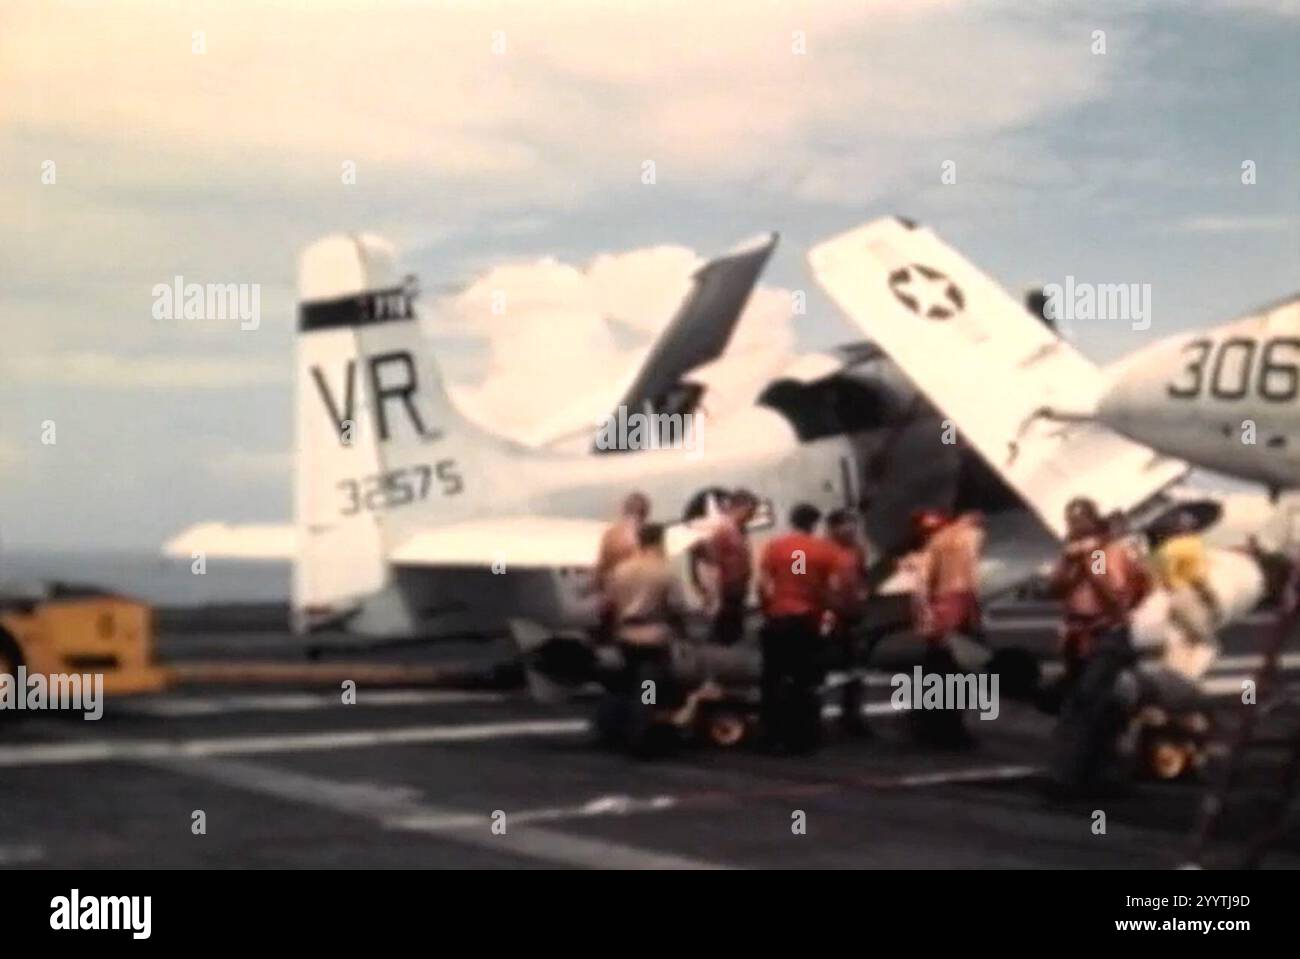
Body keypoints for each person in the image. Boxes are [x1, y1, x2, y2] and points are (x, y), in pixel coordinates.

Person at [1045, 497, 1148, 793]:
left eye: (1079, 519)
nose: (1074, 525)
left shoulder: (1106, 552)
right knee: (1081, 701)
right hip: (1080, 634)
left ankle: (1082, 772)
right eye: (1070, 519)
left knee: (1090, 701)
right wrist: (1069, 562)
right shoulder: (1076, 553)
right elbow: (1054, 588)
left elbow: (1114, 591)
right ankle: (1077, 769)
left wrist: (1089, 561)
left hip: (1105, 633)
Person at [757, 503, 840, 753]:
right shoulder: (825, 550)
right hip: (806, 620)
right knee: (805, 680)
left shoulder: (775, 547)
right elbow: (833, 587)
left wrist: (769, 607)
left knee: (772, 679)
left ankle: (772, 734)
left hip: (778, 618)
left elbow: (763, 584)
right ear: (814, 524)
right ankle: (803, 735)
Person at [602, 522, 691, 756]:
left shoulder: (621, 570)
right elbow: (677, 607)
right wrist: (684, 633)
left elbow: (608, 606)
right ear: (660, 542)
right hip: (654, 637)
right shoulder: (664, 571)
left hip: (625, 637)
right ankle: (641, 737)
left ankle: (619, 731)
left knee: (629, 686)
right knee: (648, 689)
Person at [911, 510, 985, 748]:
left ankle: (936, 722)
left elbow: (922, 585)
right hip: (958, 605)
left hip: (947, 606)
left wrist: (924, 613)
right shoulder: (965, 538)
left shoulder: (937, 544)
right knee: (953, 668)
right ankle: (943, 723)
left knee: (943, 668)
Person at [1154, 509, 1220, 678]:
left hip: (1169, 596)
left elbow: (1157, 576)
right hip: (1189, 594)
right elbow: (1198, 578)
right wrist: (1212, 599)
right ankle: (1190, 680)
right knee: (1208, 643)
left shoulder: (1165, 548)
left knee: (1179, 641)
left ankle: (1171, 678)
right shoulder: (1193, 545)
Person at [826, 508, 871, 736]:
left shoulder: (857, 550)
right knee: (823, 668)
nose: (851, 529)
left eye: (853, 524)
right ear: (833, 528)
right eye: (846, 524)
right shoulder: (819, 550)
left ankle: (852, 716)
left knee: (856, 669)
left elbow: (863, 577)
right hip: (829, 615)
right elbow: (803, 575)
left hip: (854, 615)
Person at [695, 489, 758, 646]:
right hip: (726, 589)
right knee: (725, 634)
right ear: (740, 507)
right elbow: (709, 562)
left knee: (733, 631)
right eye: (750, 512)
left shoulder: (736, 529)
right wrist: (712, 594)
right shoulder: (722, 528)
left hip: (734, 588)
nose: (751, 516)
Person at [594, 492, 651, 594]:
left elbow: (601, 570)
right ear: (645, 514)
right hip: (637, 593)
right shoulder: (650, 536)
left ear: (624, 511)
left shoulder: (610, 534)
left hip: (614, 592)